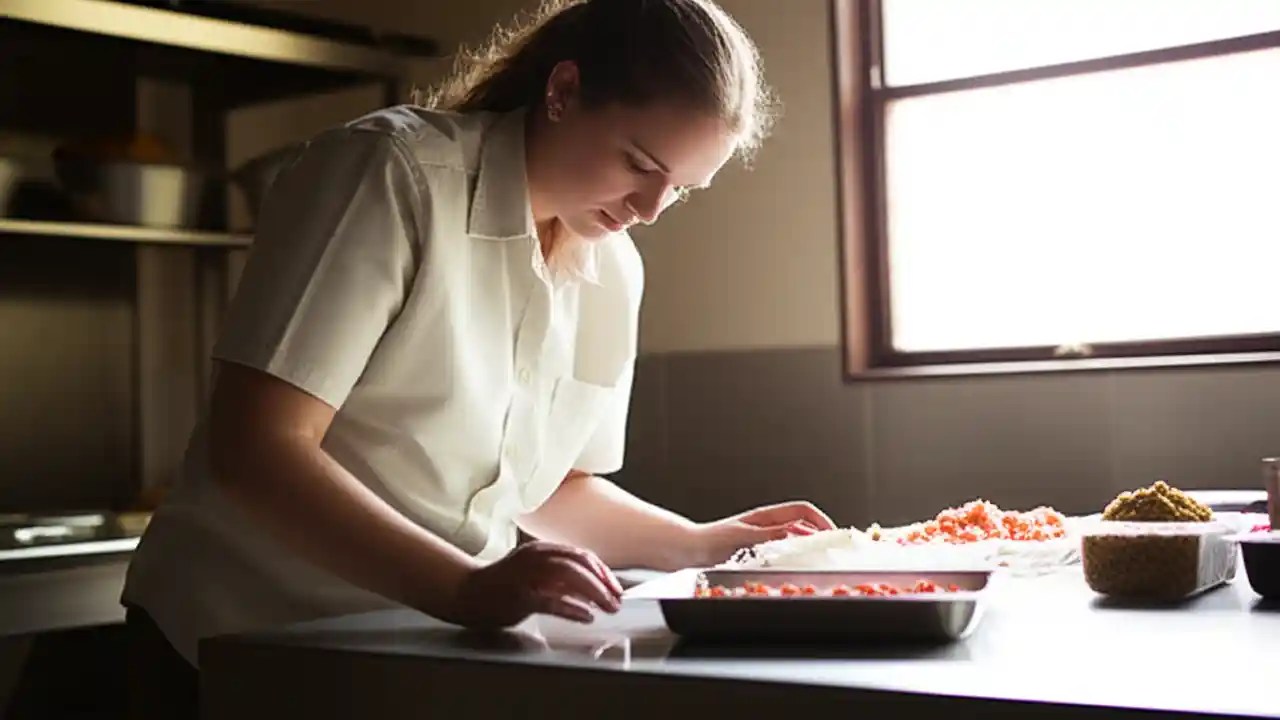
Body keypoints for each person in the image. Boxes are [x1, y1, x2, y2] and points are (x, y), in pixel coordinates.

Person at [121, 0, 836, 715]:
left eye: (678, 189)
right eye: (639, 163)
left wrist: (703, 545)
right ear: (561, 92)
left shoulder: (613, 271)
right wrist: (463, 587)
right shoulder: (390, 173)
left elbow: (550, 488)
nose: (649, 208)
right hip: (232, 644)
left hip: (408, 650)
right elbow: (255, 448)